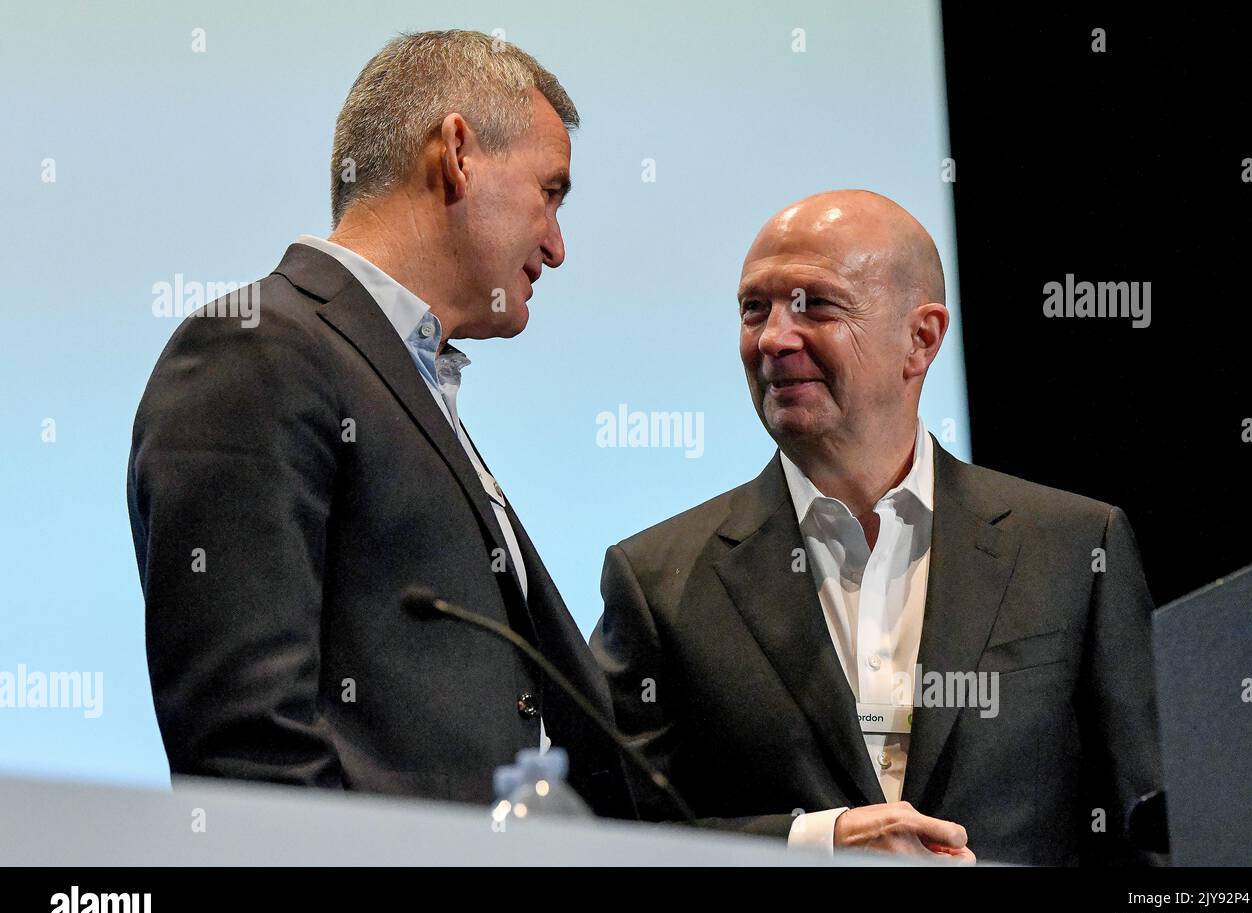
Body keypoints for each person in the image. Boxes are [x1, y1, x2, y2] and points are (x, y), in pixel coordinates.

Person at [128, 30, 627, 813]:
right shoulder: (255, 348)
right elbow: (246, 743)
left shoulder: (396, 372)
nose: (557, 247)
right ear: (458, 153)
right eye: (551, 191)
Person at [591, 190, 1162, 863]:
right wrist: (819, 843)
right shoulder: (657, 579)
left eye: (815, 305)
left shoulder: (1074, 546)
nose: (773, 338)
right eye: (754, 309)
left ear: (920, 339)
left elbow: (1148, 827)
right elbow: (608, 837)